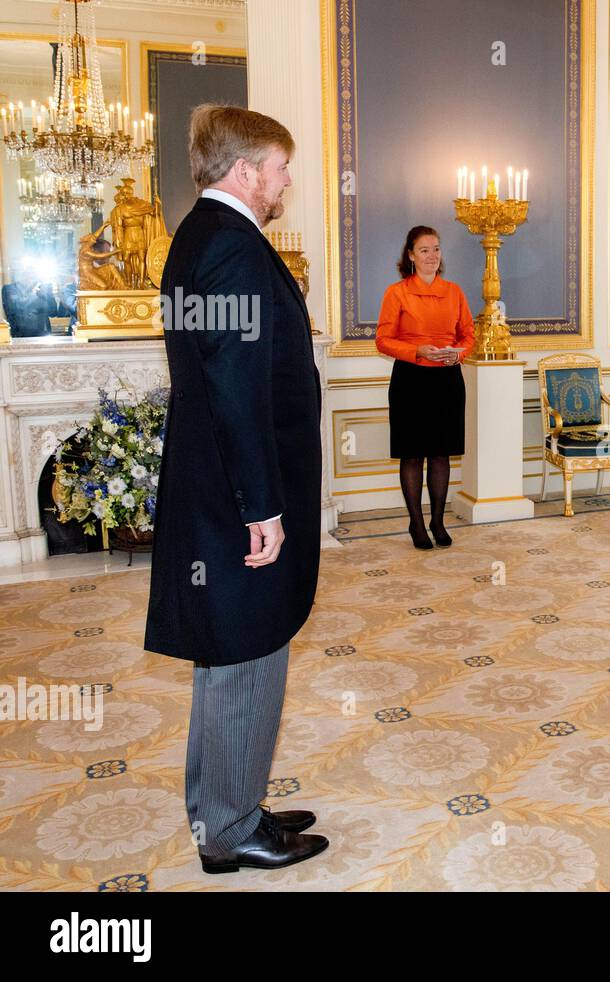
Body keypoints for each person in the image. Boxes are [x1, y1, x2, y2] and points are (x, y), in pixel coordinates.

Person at [144, 104, 328, 873]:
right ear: (249, 170)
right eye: (281, 168)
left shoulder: (201, 236)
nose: (287, 181)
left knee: (228, 658)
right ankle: (229, 831)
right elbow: (233, 386)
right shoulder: (231, 248)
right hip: (236, 499)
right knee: (249, 655)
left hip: (216, 488)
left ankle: (225, 805)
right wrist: (264, 509)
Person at [376, 226, 475, 549]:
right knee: (413, 454)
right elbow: (383, 340)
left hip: (446, 379)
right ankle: (416, 523)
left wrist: (457, 353)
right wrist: (416, 351)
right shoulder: (397, 293)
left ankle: (438, 521)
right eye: (424, 250)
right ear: (410, 255)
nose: (432, 256)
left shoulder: (455, 292)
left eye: (436, 249)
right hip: (411, 380)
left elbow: (469, 336)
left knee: (441, 453)